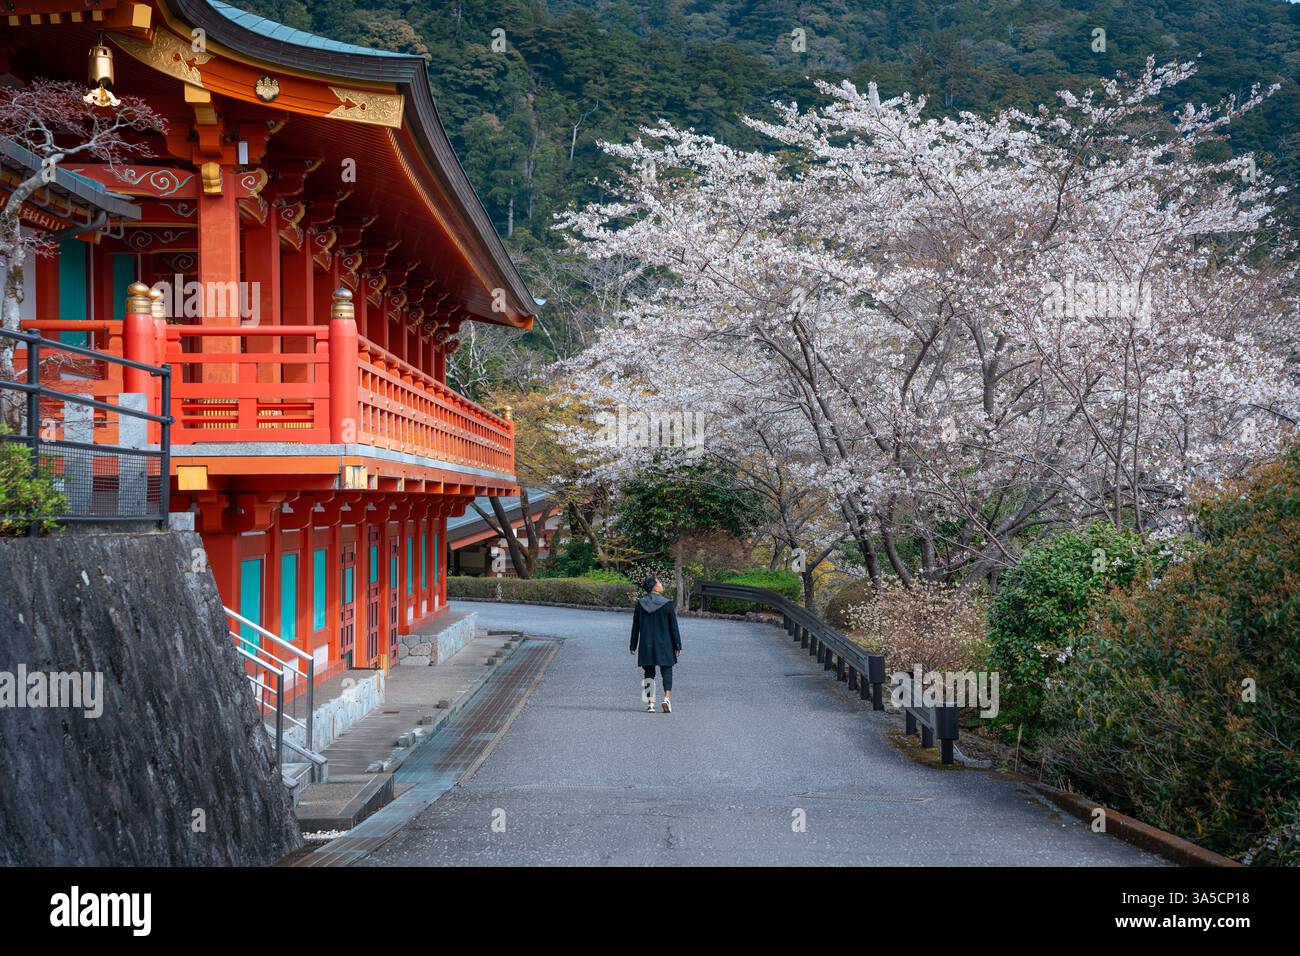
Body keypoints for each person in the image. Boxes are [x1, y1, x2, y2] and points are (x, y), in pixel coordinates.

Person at [630, 576, 682, 713]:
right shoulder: (667, 604)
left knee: (649, 673)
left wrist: (633, 645)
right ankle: (666, 699)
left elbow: (635, 627)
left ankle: (650, 704)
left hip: (646, 644)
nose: (661, 583)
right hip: (665, 644)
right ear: (654, 586)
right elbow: (673, 627)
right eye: (659, 582)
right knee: (667, 670)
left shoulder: (640, 604)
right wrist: (678, 645)